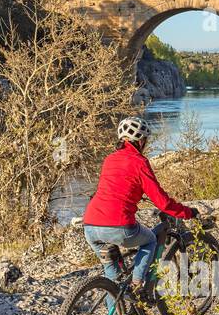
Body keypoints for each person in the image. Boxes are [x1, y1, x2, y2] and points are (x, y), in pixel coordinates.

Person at [83, 115, 198, 299]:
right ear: (141, 141)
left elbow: (113, 189)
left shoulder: (109, 159)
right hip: (118, 226)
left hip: (90, 226)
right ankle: (138, 284)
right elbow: (163, 203)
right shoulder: (139, 162)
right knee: (151, 240)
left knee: (114, 283)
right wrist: (187, 212)